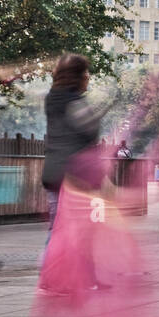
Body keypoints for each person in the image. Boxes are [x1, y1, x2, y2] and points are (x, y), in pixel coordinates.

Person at [42, 55, 112, 254]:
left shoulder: (52, 98)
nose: (88, 77)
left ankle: (50, 276)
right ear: (77, 77)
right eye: (85, 73)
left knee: (56, 228)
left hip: (53, 173)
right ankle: (84, 279)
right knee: (84, 230)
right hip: (76, 177)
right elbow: (89, 132)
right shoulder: (74, 102)